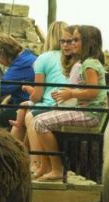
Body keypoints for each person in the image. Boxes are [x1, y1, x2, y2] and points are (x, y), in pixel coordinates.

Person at [27, 24, 109, 181]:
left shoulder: (90, 65)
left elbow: (93, 92)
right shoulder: (88, 63)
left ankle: (57, 169)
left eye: (76, 40)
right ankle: (45, 166)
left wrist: (70, 93)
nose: (72, 43)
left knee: (40, 123)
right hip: (84, 111)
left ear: (88, 42)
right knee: (38, 120)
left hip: (90, 114)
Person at [10, 21, 71, 170]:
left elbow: (38, 96)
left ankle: (31, 161)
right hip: (66, 102)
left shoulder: (43, 59)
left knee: (27, 112)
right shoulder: (72, 59)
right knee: (24, 109)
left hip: (51, 104)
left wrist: (31, 94)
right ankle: (21, 158)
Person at [0, 34, 37, 127]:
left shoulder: (23, 63)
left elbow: (0, 87)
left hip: (27, 105)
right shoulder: (26, 57)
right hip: (26, 103)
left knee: (1, 117)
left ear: (3, 53)